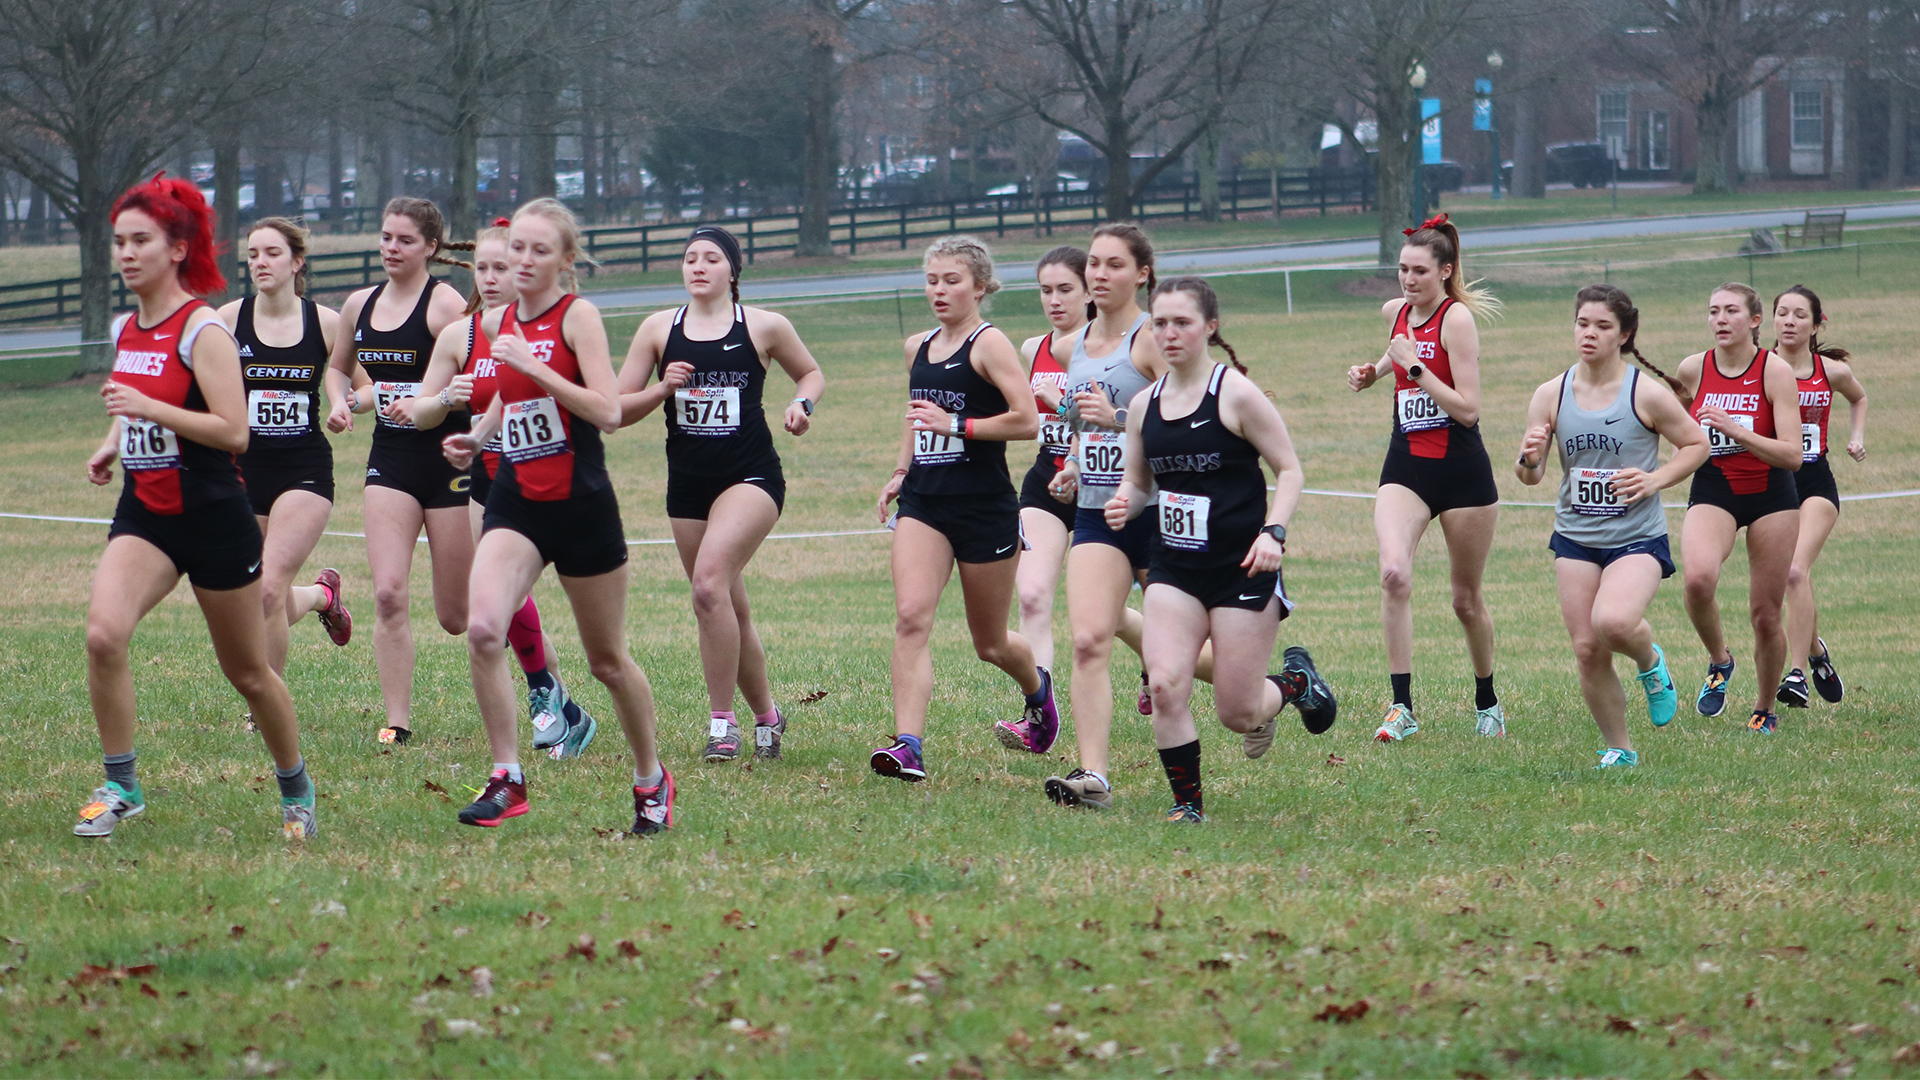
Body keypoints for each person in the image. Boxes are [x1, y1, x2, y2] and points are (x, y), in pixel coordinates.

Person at [78, 174, 317, 839]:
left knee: (248, 671)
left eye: (140, 241)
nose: (126, 254)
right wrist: (110, 444)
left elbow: (234, 432)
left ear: (178, 247)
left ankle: (295, 788)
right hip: (146, 513)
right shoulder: (128, 325)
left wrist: (151, 410)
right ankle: (121, 785)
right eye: (119, 242)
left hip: (213, 516)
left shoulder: (202, 329)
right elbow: (131, 401)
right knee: (103, 635)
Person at [440, 198, 672, 833]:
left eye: (540, 250)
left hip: (582, 505)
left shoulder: (579, 317)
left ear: (565, 261)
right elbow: (511, 402)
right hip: (516, 498)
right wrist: (481, 437)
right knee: (485, 629)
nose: (523, 260)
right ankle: (507, 777)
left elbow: (609, 411)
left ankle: (651, 779)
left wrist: (534, 365)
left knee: (607, 663)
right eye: (518, 248)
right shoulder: (494, 323)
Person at [1103, 277, 1334, 823]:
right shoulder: (1143, 406)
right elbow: (1138, 482)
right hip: (1174, 570)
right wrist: (1123, 502)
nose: (1168, 333)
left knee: (1238, 710)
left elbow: (1291, 470)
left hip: (1242, 568)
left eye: (1181, 322)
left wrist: (1273, 533)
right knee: (1164, 684)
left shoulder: (1234, 395)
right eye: (1159, 323)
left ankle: (1297, 683)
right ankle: (1188, 805)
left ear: (1210, 327)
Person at [615, 225, 826, 763]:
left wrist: (802, 406)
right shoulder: (659, 329)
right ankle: (768, 718)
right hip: (687, 485)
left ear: (733, 270)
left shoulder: (764, 325)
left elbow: (810, 373)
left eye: (712, 258)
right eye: (690, 258)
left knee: (708, 588)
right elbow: (616, 411)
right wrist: (663, 388)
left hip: (751, 477)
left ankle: (721, 724)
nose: (699, 266)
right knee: (728, 604)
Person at [1036, 225, 1215, 811]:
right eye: (1093, 263)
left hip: (1161, 512)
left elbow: (1183, 418)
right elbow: (1080, 425)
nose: (1098, 275)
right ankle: (1094, 778)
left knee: (1176, 658)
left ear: (1142, 273)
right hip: (1096, 513)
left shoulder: (1150, 340)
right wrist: (1075, 468)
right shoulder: (1073, 345)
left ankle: (1278, 689)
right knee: (1089, 638)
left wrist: (1115, 417)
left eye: (1114, 265)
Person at [871, 235, 1053, 782]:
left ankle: (1039, 693)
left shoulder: (988, 344)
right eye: (932, 280)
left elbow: (1027, 421)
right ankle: (908, 746)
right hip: (925, 503)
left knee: (990, 643)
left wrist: (960, 425)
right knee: (910, 618)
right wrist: (901, 472)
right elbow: (918, 416)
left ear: (979, 286)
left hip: (984, 507)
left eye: (952, 280)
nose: (940, 291)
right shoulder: (917, 346)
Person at [415, 219, 597, 758]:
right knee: (498, 599)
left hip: (559, 476)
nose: (493, 278)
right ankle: (552, 701)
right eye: (485, 269)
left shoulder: (561, 326)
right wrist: (448, 398)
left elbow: (594, 401)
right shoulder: (463, 334)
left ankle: (559, 705)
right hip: (491, 479)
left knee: (573, 627)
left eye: (503, 267)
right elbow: (423, 414)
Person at [1515, 286, 1707, 768]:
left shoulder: (1645, 392)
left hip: (1637, 538)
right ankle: (1620, 749)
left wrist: (1655, 478)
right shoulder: (1550, 393)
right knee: (1586, 649)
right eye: (1583, 323)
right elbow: (1530, 476)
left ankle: (1650, 663)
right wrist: (1529, 457)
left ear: (1623, 335)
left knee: (1614, 623)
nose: (1589, 334)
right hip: (1576, 538)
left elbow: (1696, 444)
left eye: (1602, 326)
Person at [1345, 213, 1505, 742]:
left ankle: (1487, 700)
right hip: (1406, 466)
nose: (1407, 281)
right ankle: (1401, 707)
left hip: (1462, 474)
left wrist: (1414, 370)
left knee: (1465, 600)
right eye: (1402, 270)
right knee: (1393, 574)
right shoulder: (1396, 312)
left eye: (1418, 271)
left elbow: (1468, 409)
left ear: (1444, 272)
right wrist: (1374, 373)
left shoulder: (1457, 320)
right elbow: (1399, 350)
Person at [324, 198, 473, 745]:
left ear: (430, 247)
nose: (391, 248)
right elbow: (338, 369)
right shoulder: (359, 304)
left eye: (404, 240)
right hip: (391, 461)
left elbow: (475, 383)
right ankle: (398, 723)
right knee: (387, 594)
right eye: (386, 237)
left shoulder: (444, 306)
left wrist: (432, 400)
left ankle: (544, 681)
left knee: (460, 614)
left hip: (449, 463)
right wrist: (341, 402)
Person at [217, 218, 353, 688]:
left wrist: (343, 403)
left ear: (297, 262)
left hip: (304, 470)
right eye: (253, 254)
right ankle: (321, 597)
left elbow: (366, 386)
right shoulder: (229, 319)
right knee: (255, 596)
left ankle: (266, 705)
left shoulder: (326, 323)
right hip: (242, 471)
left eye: (271, 253)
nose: (260, 262)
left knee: (269, 590)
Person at [1677, 283, 1804, 734]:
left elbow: (1792, 455)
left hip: (1772, 493)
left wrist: (1736, 431)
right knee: (1696, 579)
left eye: (1731, 311)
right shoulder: (1693, 370)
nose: (1720, 320)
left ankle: (1765, 708)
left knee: (1765, 614)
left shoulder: (1775, 371)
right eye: (1713, 311)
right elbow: (1680, 431)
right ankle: (1719, 660)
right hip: (1715, 487)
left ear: (1754, 321)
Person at [1769, 285, 1867, 709]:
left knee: (1794, 571)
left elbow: (1859, 398)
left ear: (1815, 324)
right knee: (1789, 580)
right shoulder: (1759, 368)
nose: (1789, 321)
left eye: (1799, 315)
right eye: (1782, 313)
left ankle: (1796, 676)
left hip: (1815, 483)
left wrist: (1856, 438)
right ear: (1769, 320)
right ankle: (1817, 653)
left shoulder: (1830, 372)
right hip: (1772, 487)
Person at [1012, 246, 1089, 680]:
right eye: (1046, 290)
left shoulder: (1114, 350)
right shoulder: (1031, 349)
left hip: (1105, 483)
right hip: (1048, 479)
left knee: (1104, 617)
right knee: (1032, 596)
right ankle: (1038, 707)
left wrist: (1057, 402)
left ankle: (1155, 670)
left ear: (1089, 292)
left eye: (1065, 289)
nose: (1054, 300)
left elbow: (1113, 423)